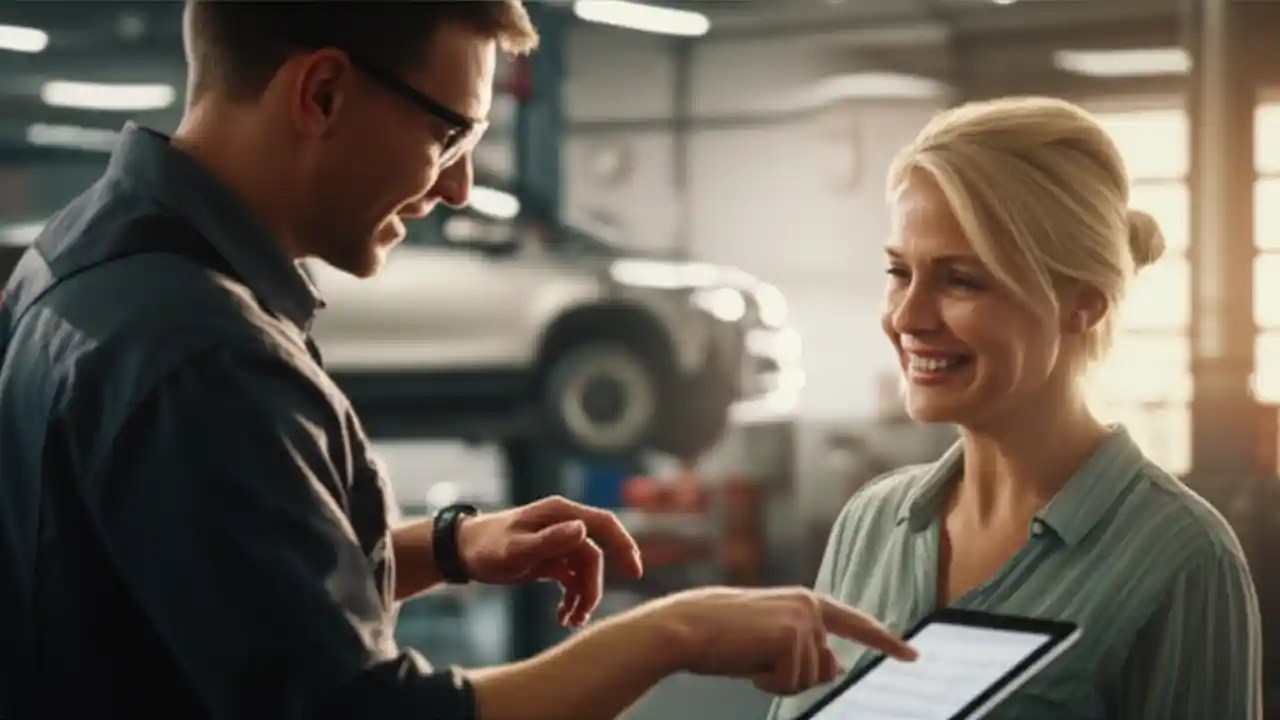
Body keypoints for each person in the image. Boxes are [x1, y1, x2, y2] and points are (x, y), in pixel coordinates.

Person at [0, 3, 917, 719]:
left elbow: (203, 579)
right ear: (321, 93)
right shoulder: (205, 357)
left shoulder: (83, 255)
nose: (458, 186)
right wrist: (670, 633)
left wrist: (450, 548)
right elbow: (373, 715)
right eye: (450, 136)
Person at [767, 96, 1263, 720]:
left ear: (1082, 303)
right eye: (899, 272)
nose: (907, 317)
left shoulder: (1180, 557)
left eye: (960, 280)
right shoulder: (870, 525)